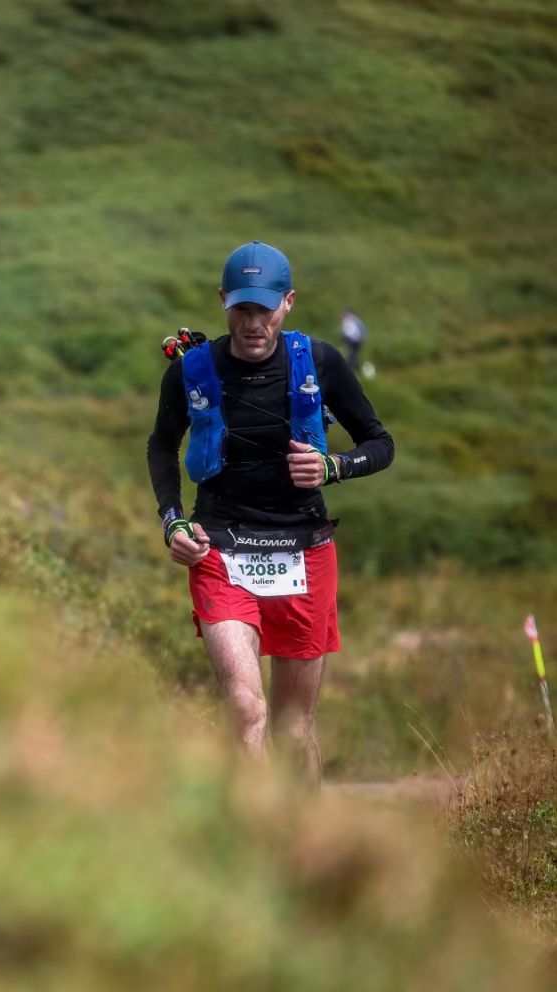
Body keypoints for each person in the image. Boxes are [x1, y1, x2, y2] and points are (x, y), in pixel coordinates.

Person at [145, 242, 394, 787]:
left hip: (305, 548)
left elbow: (379, 443)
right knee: (243, 706)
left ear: (288, 303)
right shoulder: (191, 371)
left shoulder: (321, 362)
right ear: (222, 302)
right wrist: (173, 522)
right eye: (241, 308)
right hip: (220, 548)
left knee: (291, 726)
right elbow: (161, 449)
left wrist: (334, 467)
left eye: (265, 307)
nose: (252, 322)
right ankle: (253, 838)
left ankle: (301, 841)